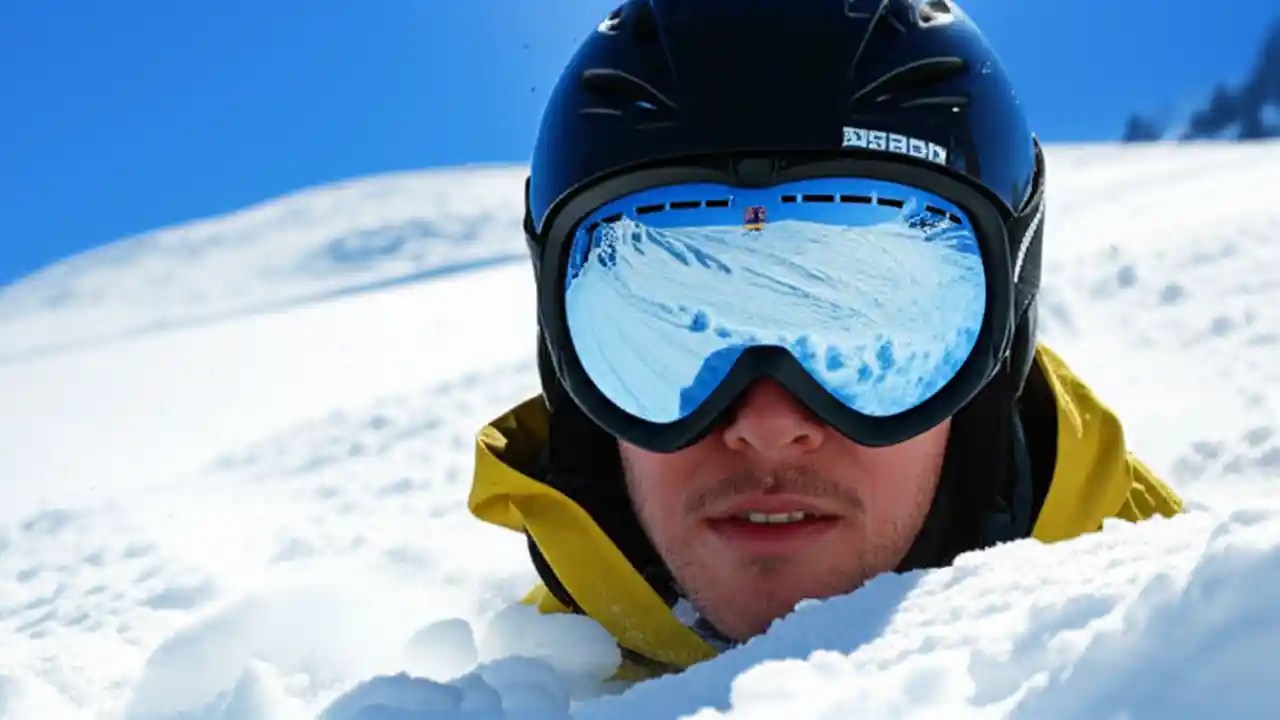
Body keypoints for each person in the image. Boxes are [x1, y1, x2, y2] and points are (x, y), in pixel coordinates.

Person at [468, 0, 1182, 679]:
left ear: (995, 352)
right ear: (569, 367)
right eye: (667, 331)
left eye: (870, 338)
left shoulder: (1206, 649)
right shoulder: (506, 696)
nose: (769, 428)